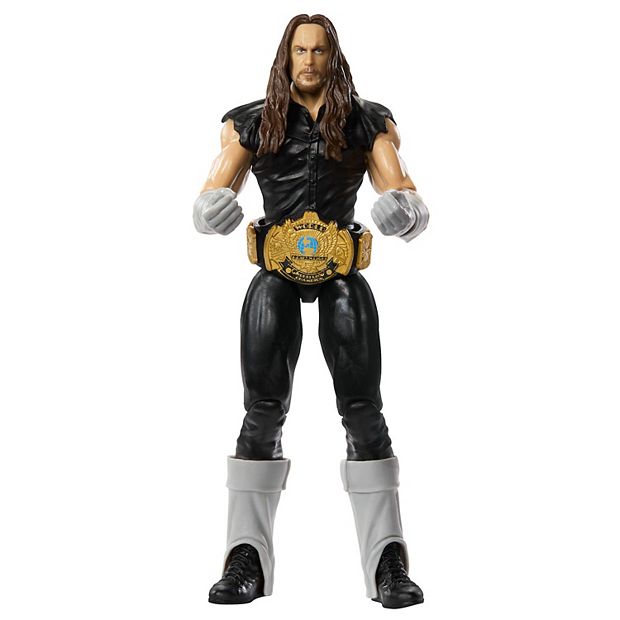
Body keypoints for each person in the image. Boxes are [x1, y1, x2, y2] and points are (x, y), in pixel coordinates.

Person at [193, 14, 429, 609]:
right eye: (299, 49)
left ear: (333, 57)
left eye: (319, 50)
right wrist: (209, 210)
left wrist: (406, 213)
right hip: (274, 273)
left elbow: (403, 187)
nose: (308, 60)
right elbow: (213, 187)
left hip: (342, 273)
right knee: (262, 409)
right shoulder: (253, 121)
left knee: (363, 409)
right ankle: (245, 553)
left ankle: (387, 557)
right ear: (286, 56)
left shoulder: (366, 120)